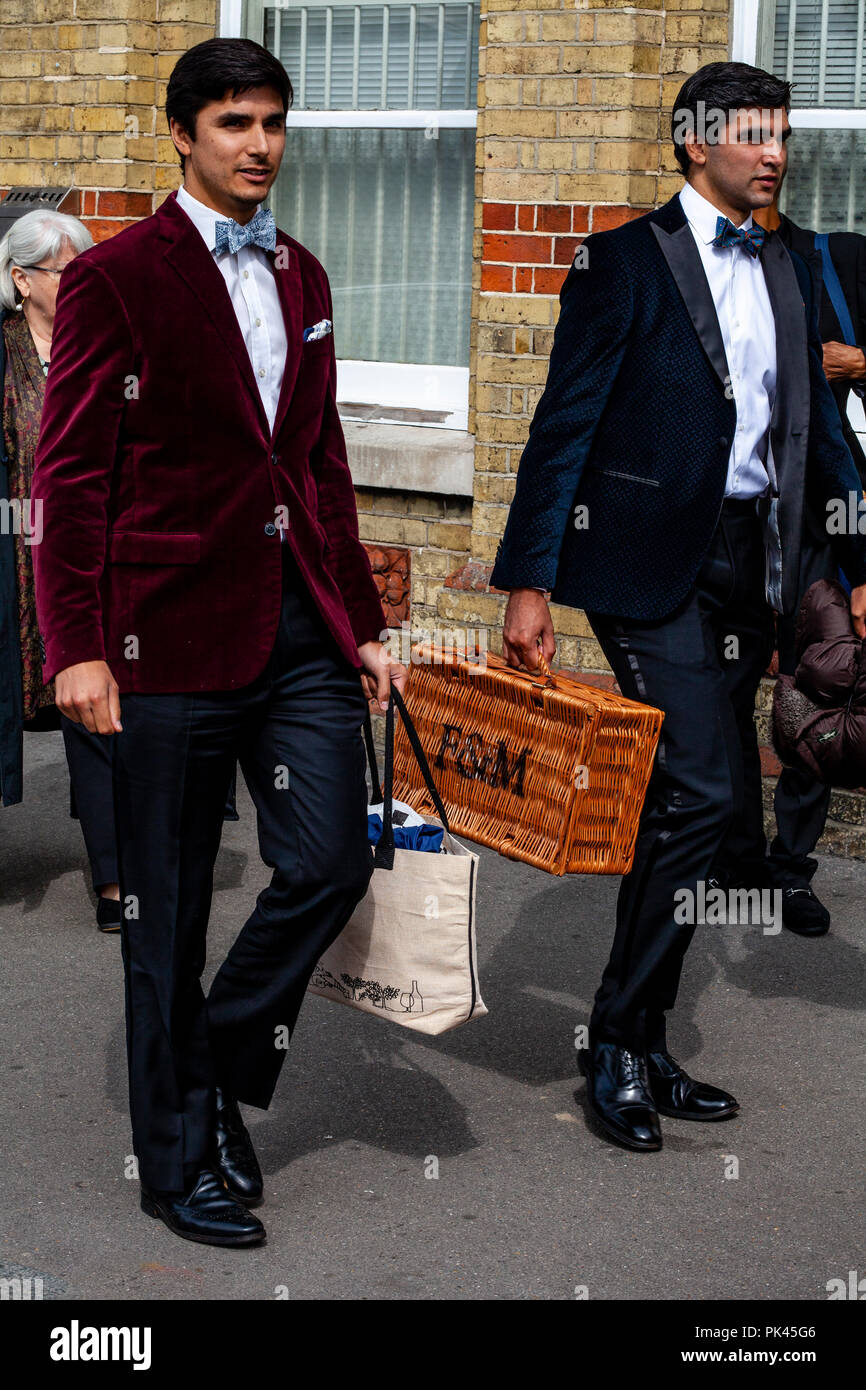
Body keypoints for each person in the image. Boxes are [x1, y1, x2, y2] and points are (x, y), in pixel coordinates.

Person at [32, 37, 406, 1246]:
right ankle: (177, 1157)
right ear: (183, 133)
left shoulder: (302, 272)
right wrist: (74, 644)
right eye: (236, 124)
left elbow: (320, 461)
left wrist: (361, 624)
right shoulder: (119, 277)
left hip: (297, 623)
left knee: (330, 862)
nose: (260, 146)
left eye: (274, 124)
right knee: (168, 914)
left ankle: (216, 1063)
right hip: (161, 640)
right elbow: (73, 472)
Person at [490, 61, 866, 1154]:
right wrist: (530, 577)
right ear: (691, 142)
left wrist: (848, 555)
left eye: (782, 135)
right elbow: (561, 425)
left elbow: (818, 429)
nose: (774, 154)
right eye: (753, 135)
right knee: (706, 791)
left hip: (758, 555)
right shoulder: (618, 262)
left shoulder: (796, 258)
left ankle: (644, 1038)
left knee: (683, 807)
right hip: (645, 557)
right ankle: (612, 1039)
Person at [0, 208, 125, 931]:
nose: (85, 277)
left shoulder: (108, 346)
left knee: (101, 710)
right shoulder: (5, 354)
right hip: (12, 561)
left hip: (96, 559)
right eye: (68, 268)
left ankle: (114, 880)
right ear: (22, 280)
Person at [751, 186, 866, 935]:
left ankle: (788, 869)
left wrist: (861, 361)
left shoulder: (833, 258)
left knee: (819, 679)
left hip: (825, 518)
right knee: (716, 687)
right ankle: (718, 853)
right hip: (725, 518)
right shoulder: (689, 266)